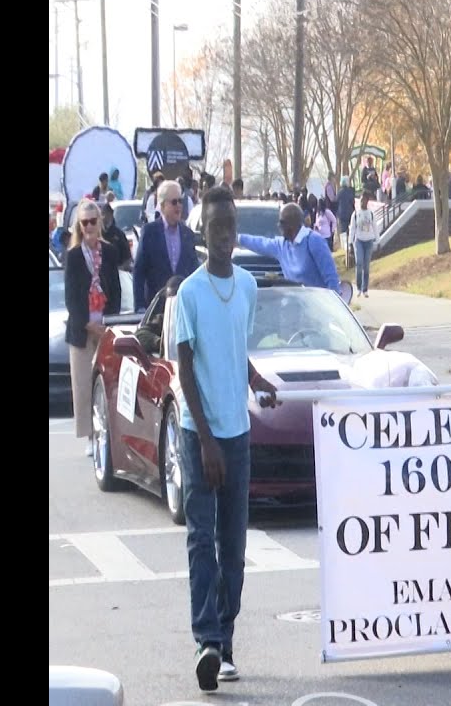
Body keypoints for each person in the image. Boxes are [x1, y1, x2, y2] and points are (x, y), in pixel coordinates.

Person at [174, 185, 279, 692]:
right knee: (201, 540)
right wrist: (207, 441)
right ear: (203, 231)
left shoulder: (248, 287)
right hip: (202, 437)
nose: (225, 237)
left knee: (233, 549)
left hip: (238, 436)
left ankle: (225, 640)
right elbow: (186, 368)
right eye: (217, 228)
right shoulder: (188, 293)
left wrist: (256, 381)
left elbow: (235, 349)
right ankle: (206, 642)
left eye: (231, 228)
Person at [63, 199, 122, 457]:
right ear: (79, 225)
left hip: (105, 325)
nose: (88, 226)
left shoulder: (109, 252)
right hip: (82, 329)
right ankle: (90, 436)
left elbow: (117, 289)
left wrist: (111, 322)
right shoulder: (74, 255)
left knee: (108, 383)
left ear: (100, 223)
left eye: (92, 221)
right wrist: (88, 325)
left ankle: (109, 433)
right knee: (84, 384)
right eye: (84, 222)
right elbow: (71, 297)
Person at [236, 202, 339, 292]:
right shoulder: (282, 246)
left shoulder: (313, 241)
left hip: (317, 305)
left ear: (292, 224)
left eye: (281, 222)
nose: (278, 225)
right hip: (294, 305)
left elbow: (331, 277)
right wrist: (238, 238)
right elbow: (261, 243)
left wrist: (335, 307)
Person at [133, 180, 200, 310]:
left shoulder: (188, 235)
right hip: (156, 308)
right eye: (174, 202)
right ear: (162, 206)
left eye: (181, 201)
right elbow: (139, 271)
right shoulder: (149, 232)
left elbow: (193, 272)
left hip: (182, 308)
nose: (179, 206)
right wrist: (139, 306)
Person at [349, 192, 378, 297]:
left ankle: (365, 289)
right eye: (361, 200)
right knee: (359, 263)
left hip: (369, 241)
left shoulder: (371, 214)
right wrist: (350, 243)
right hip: (359, 241)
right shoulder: (356, 214)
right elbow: (352, 229)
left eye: (364, 200)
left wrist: (377, 240)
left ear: (367, 201)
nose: (362, 202)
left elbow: (375, 227)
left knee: (366, 266)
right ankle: (359, 287)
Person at [99, 202, 134, 271]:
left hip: (117, 274)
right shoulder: (97, 233)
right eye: (101, 214)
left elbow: (128, 258)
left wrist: (120, 269)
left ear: (110, 214)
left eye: (104, 214)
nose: (102, 217)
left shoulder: (119, 234)